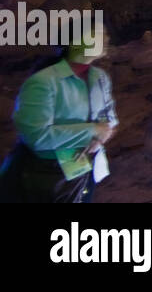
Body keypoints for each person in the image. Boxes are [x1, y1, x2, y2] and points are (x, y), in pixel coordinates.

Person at [1, 26, 117, 203]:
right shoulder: (43, 82)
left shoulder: (100, 77)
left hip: (84, 171)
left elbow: (108, 120)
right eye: (99, 34)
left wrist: (98, 140)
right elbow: (37, 136)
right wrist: (91, 131)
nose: (107, 39)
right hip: (43, 177)